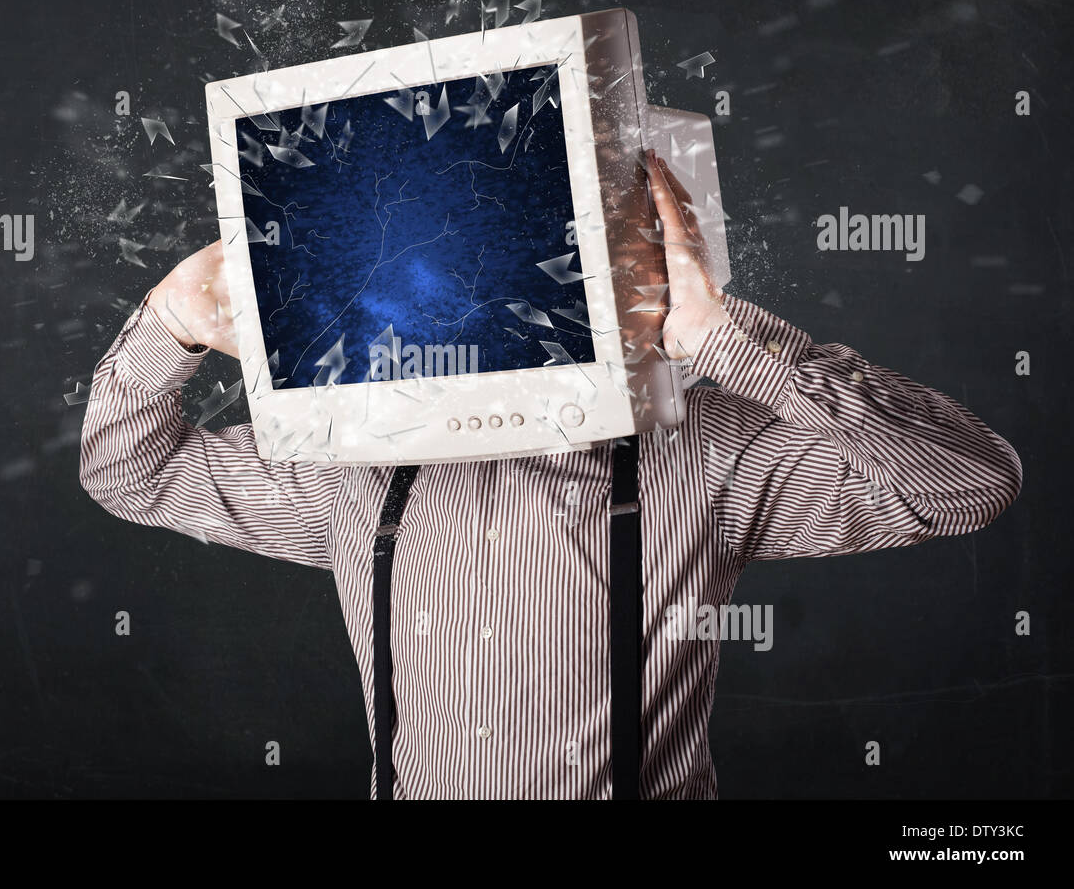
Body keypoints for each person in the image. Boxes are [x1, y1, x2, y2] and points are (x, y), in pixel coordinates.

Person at [79, 151, 1022, 798]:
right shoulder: (355, 466)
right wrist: (169, 324)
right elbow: (129, 473)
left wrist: (719, 338)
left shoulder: (700, 452)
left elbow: (968, 484)